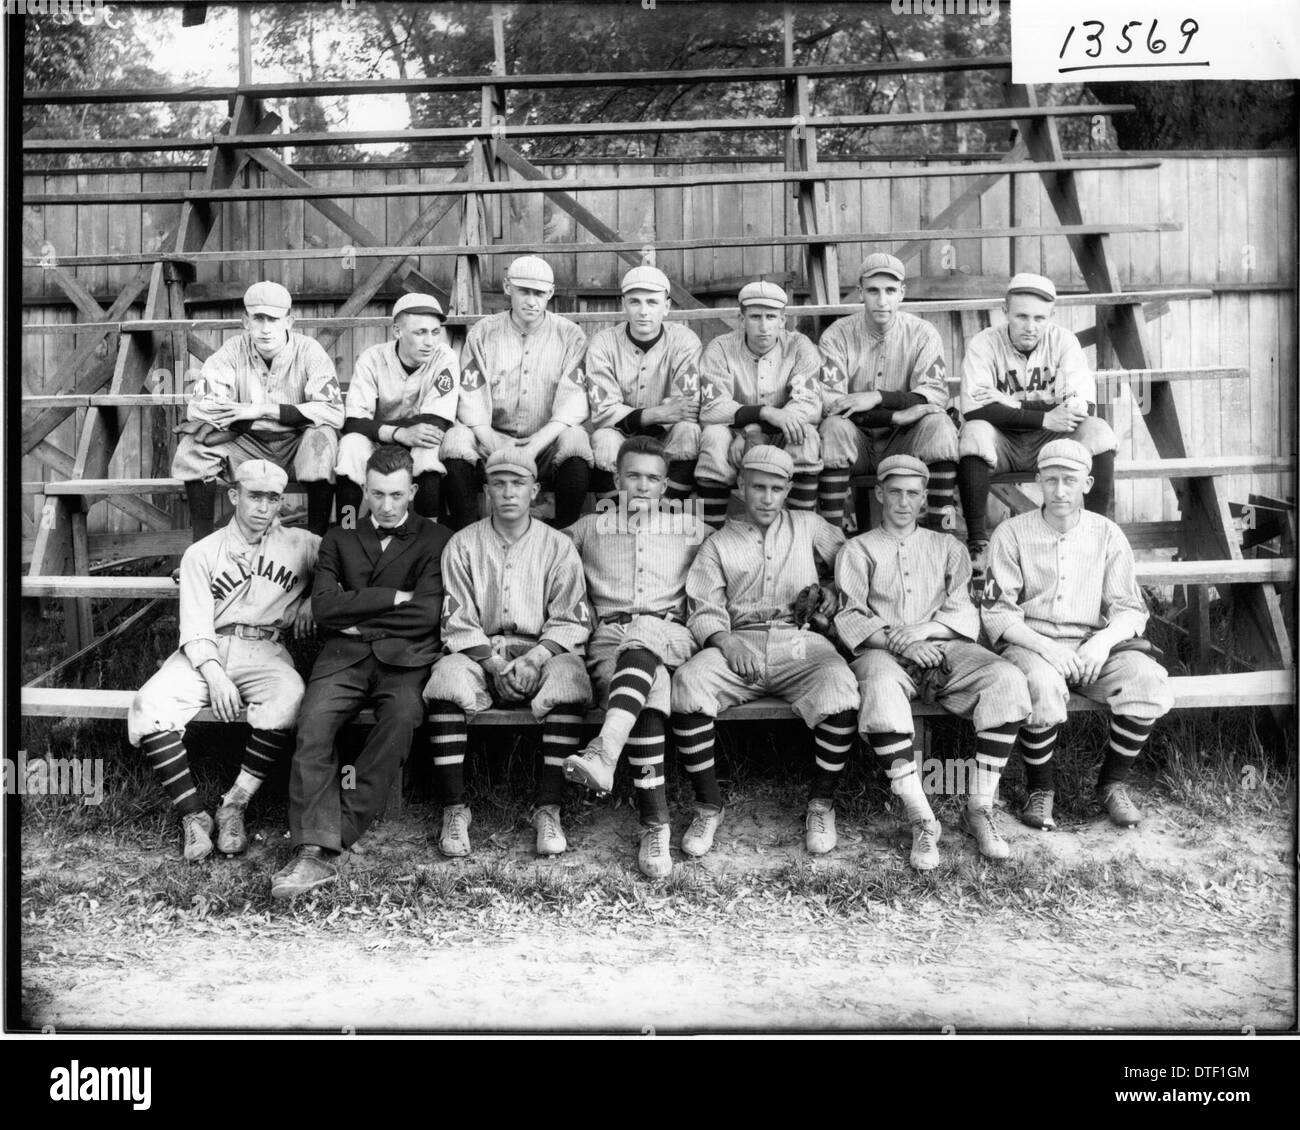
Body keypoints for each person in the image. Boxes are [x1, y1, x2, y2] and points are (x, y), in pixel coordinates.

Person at [271, 445, 452, 900]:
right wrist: (394, 599)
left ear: (412, 491)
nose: (387, 507)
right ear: (365, 492)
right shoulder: (340, 539)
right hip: (343, 656)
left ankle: (338, 832)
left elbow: (428, 614)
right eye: (377, 495)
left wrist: (362, 608)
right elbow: (325, 609)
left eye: (396, 495)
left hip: (405, 660)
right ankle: (312, 847)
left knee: (402, 718)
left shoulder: (436, 538)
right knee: (313, 724)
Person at [834, 455, 1031, 869]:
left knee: (1006, 679)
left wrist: (923, 633)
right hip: (882, 650)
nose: (903, 502)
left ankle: (978, 807)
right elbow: (850, 617)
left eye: (913, 494)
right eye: (895, 492)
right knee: (881, 689)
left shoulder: (948, 546)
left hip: (942, 642)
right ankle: (921, 816)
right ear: (879, 494)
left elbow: (964, 610)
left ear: (924, 499)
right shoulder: (858, 548)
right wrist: (899, 642)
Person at [671, 445, 860, 854]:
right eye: (758, 487)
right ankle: (708, 805)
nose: (768, 497)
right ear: (741, 485)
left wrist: (830, 588)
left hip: (799, 640)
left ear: (789, 488)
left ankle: (821, 803)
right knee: (688, 681)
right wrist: (725, 641)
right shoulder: (719, 542)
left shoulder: (808, 525)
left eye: (777, 488)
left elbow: (853, 560)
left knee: (840, 682)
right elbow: (703, 606)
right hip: (741, 640)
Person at [127, 460, 318, 862]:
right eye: (254, 496)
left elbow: (343, 570)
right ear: (234, 496)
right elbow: (195, 628)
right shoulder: (202, 552)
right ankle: (194, 816)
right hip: (205, 651)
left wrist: (314, 600)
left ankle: (235, 802)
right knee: (150, 703)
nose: (263, 507)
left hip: (265, 650)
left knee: (290, 695)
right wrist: (215, 678)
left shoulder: (302, 544)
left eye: (272, 498)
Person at [981, 439, 1173, 831]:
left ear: (1087, 483)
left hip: (1091, 647)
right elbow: (998, 614)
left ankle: (1111, 785)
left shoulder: (1107, 534)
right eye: (1050, 480)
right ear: (1037, 482)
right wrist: (1048, 650)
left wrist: (1101, 644)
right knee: (1040, 682)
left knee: (1147, 677)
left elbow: (1130, 608)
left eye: (1070, 480)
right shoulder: (1010, 533)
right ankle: (1041, 790)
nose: (1060, 490)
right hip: (1031, 643)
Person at [561, 435, 722, 878]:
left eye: (653, 478)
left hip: (670, 633)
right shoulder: (588, 527)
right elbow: (541, 550)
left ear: (666, 485)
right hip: (611, 640)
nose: (642, 486)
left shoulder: (691, 528)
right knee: (650, 687)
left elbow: (737, 558)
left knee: (644, 641)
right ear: (616, 478)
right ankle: (657, 825)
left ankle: (605, 751)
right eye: (633, 475)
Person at [424, 447, 594, 858]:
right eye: (498, 484)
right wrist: (494, 663)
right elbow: (457, 619)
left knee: (570, 678)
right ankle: (455, 809)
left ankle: (548, 809)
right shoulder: (463, 543)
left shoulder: (558, 545)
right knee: (445, 678)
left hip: (540, 650)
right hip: (481, 651)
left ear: (534, 490)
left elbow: (573, 619)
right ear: (485, 492)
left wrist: (536, 658)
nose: (508, 493)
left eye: (518, 484)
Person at [957, 272, 1119, 592]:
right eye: (1021, 316)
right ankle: (978, 543)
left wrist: (1008, 404)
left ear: (1052, 316)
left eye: (1039, 318)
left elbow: (1081, 408)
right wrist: (1044, 416)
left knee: (1099, 432)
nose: (1030, 326)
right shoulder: (985, 343)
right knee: (974, 432)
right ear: (1005, 311)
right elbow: (975, 410)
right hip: (1002, 440)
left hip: (1053, 444)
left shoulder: (1063, 341)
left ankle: (1096, 534)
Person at [172, 280, 342, 537]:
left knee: (322, 439)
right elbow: (201, 408)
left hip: (296, 447)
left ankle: (318, 543)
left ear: (289, 322)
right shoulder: (231, 351)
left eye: (273, 319)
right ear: (245, 321)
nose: (265, 329)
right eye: (258, 318)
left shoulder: (309, 351)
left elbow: (332, 412)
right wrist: (249, 421)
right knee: (192, 447)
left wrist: (261, 410)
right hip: (245, 443)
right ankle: (202, 546)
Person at [440, 256, 591, 529]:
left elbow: (573, 404)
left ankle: (568, 532)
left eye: (539, 293)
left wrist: (533, 446)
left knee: (576, 439)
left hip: (545, 444)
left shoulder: (570, 335)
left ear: (551, 293)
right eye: (524, 291)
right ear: (508, 287)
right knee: (455, 439)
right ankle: (465, 531)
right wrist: (496, 445)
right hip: (493, 440)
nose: (532, 301)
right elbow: (471, 399)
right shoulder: (483, 332)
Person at [815, 252, 959, 533]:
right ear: (860, 293)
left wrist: (880, 397)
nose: (882, 300)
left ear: (901, 293)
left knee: (940, 424)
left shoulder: (923, 333)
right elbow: (832, 403)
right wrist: (894, 416)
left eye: (890, 291)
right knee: (833, 427)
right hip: (856, 442)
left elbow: (934, 395)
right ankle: (830, 541)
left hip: (903, 441)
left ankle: (942, 537)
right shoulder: (836, 335)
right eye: (873, 291)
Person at [695, 280, 823, 527]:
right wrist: (763, 414)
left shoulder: (799, 346)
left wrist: (757, 429)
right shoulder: (720, 348)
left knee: (805, 435)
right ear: (741, 319)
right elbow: (711, 410)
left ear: (783, 320)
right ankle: (710, 535)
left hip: (779, 434)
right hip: (734, 437)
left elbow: (809, 405)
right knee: (712, 436)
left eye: (771, 316)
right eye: (755, 317)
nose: (763, 326)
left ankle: (800, 532)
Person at [585, 265, 704, 506]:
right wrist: (657, 413)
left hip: (666, 436)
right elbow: (603, 413)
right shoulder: (603, 343)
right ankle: (615, 520)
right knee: (603, 438)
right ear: (623, 304)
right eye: (635, 302)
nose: (643, 311)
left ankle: (666, 516)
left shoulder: (684, 340)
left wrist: (630, 415)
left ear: (667, 307)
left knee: (688, 431)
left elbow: (686, 409)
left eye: (652, 302)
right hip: (621, 436)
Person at [335, 292, 459, 524]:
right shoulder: (372, 358)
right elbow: (353, 421)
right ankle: (347, 529)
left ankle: (426, 536)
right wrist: (398, 433)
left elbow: (436, 420)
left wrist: (380, 428)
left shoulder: (445, 357)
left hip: (415, 440)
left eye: (435, 332)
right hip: (378, 442)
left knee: (428, 443)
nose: (430, 342)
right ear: (397, 331)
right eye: (420, 332)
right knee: (351, 445)